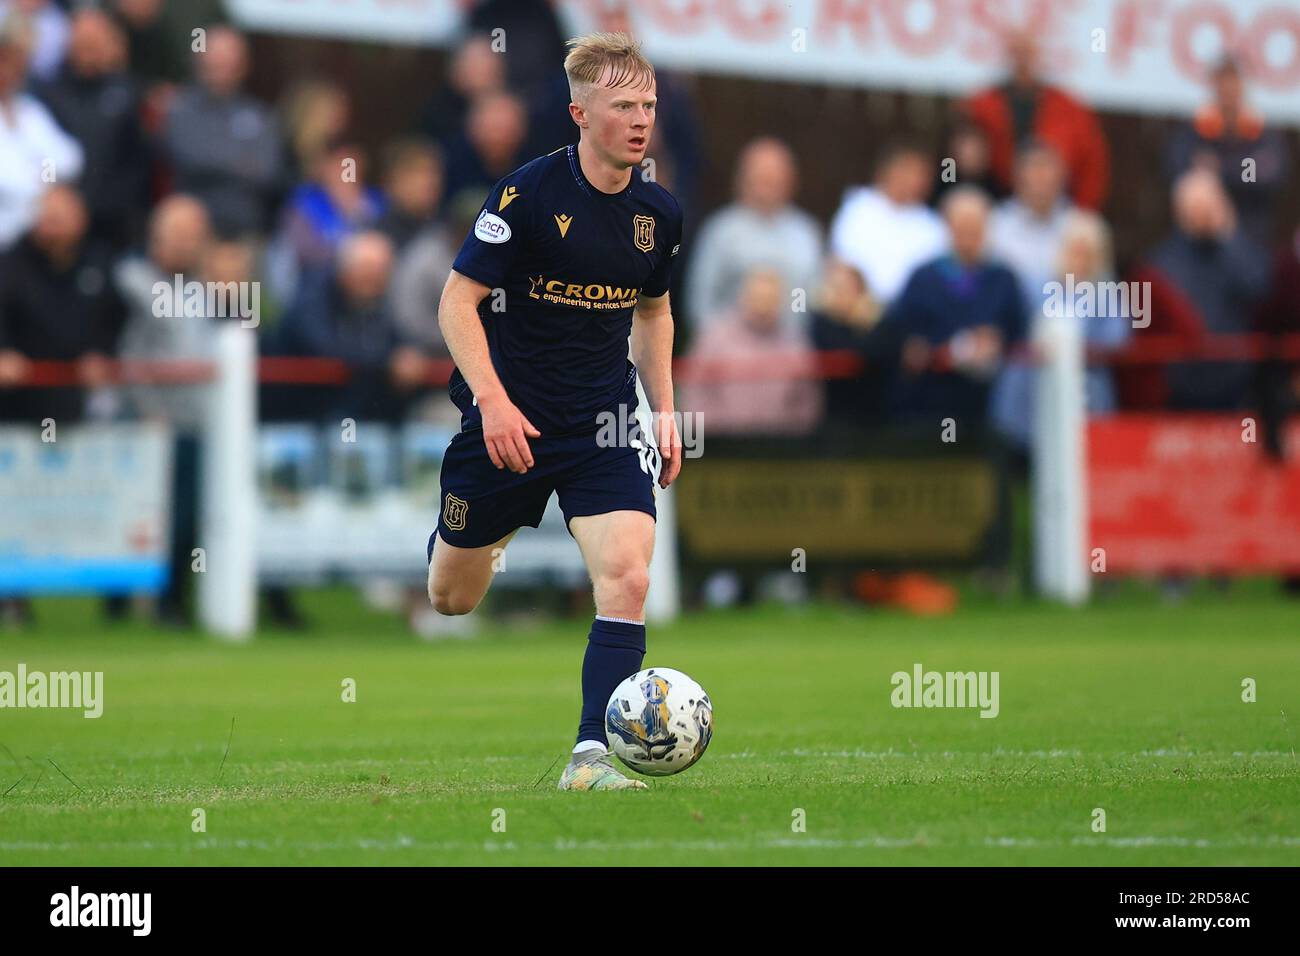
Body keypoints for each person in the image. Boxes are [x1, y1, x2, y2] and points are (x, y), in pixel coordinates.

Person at [426, 32, 684, 792]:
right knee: (452, 598)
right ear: (579, 112)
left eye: (649, 105)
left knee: (628, 577)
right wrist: (493, 402)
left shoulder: (659, 213)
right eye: (623, 106)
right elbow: (456, 302)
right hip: (507, 425)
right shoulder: (526, 195)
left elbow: (655, 313)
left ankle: (590, 757)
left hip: (601, 424)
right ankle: (470, 539)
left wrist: (664, 409)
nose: (640, 120)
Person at [684, 137, 822, 335]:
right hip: (730, 357)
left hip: (791, 355)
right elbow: (699, 303)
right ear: (742, 179)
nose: (768, 185)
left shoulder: (806, 234)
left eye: (775, 177)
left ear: (791, 180)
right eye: (761, 177)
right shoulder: (721, 231)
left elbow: (813, 301)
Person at [829, 141, 947, 306]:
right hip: (859, 308)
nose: (914, 179)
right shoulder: (858, 208)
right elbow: (843, 263)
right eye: (907, 169)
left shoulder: (932, 225)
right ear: (888, 170)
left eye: (922, 174)